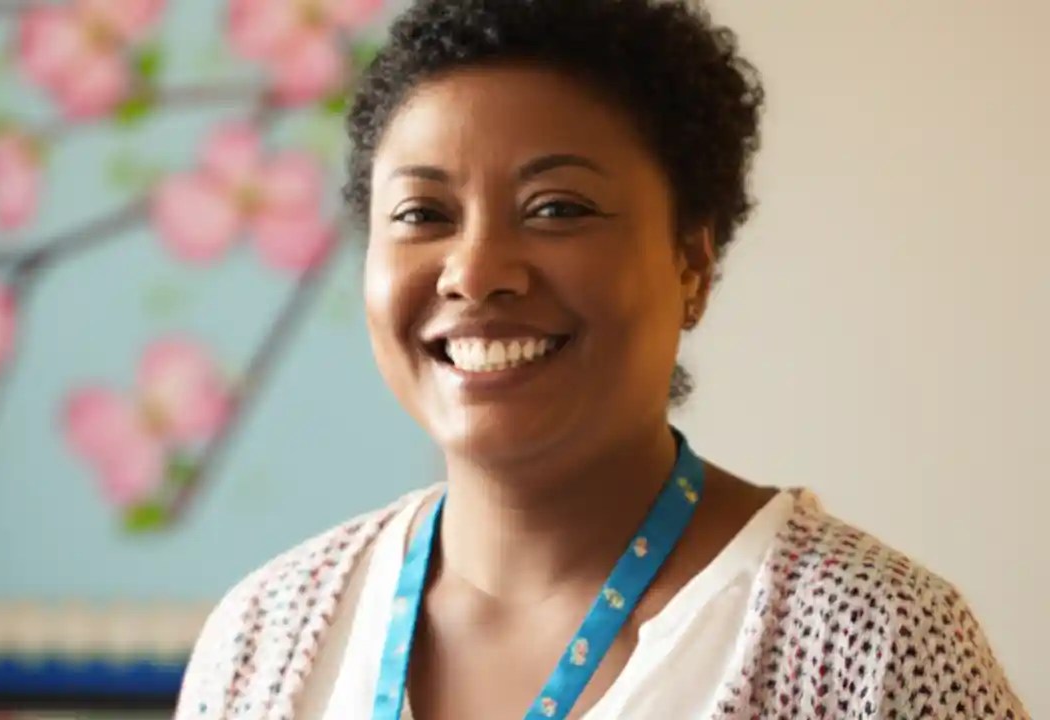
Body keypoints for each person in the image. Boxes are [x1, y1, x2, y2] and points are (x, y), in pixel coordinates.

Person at [176, 0, 1029, 717]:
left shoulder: (874, 646)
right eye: (422, 214)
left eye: (556, 207)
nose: (474, 272)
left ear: (691, 265)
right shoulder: (264, 637)